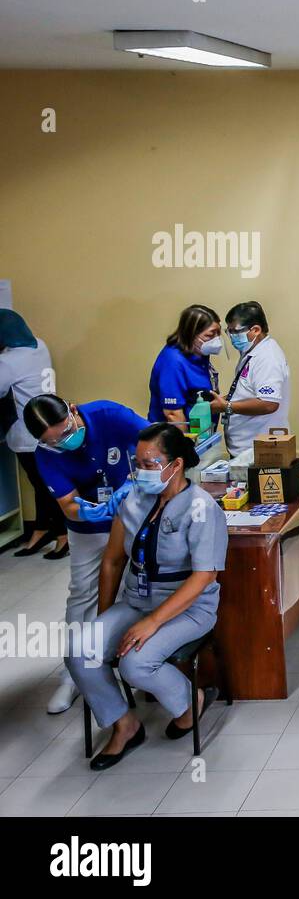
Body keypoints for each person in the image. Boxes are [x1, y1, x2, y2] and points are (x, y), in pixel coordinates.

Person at [68, 423, 226, 770]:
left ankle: (191, 702)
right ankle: (125, 725)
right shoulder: (133, 500)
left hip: (189, 607)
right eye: (137, 463)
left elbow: (204, 577)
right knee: (82, 650)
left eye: (150, 463)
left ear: (177, 465)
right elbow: (111, 561)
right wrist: (105, 618)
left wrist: (153, 623)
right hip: (137, 600)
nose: (141, 471)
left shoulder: (201, 508)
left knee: (135, 663)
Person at [24, 394, 148, 713]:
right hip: (87, 530)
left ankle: (128, 662)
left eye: (65, 433)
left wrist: (135, 482)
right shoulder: (46, 454)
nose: (63, 443)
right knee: (82, 594)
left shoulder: (109, 414)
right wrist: (88, 512)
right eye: (52, 441)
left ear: (73, 411)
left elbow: (157, 441)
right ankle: (74, 674)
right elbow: (68, 505)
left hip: (133, 514)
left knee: (130, 589)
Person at [0, 309, 67, 559]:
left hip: (28, 433)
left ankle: (61, 536)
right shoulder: (40, 345)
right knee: (42, 485)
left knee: (44, 486)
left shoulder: (7, 361)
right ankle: (40, 530)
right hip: (51, 425)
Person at [208, 301, 291, 457]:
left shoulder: (268, 358)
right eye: (229, 331)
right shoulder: (252, 352)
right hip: (245, 451)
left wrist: (227, 406)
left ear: (256, 330)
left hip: (258, 453)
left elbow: (269, 403)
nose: (231, 337)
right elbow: (246, 393)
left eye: (235, 331)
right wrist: (222, 401)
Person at [148, 304, 223, 425]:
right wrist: (186, 443)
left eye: (218, 333)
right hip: (175, 436)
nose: (217, 339)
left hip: (201, 431)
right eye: (210, 335)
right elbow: (173, 415)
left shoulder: (199, 354)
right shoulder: (173, 361)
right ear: (191, 333)